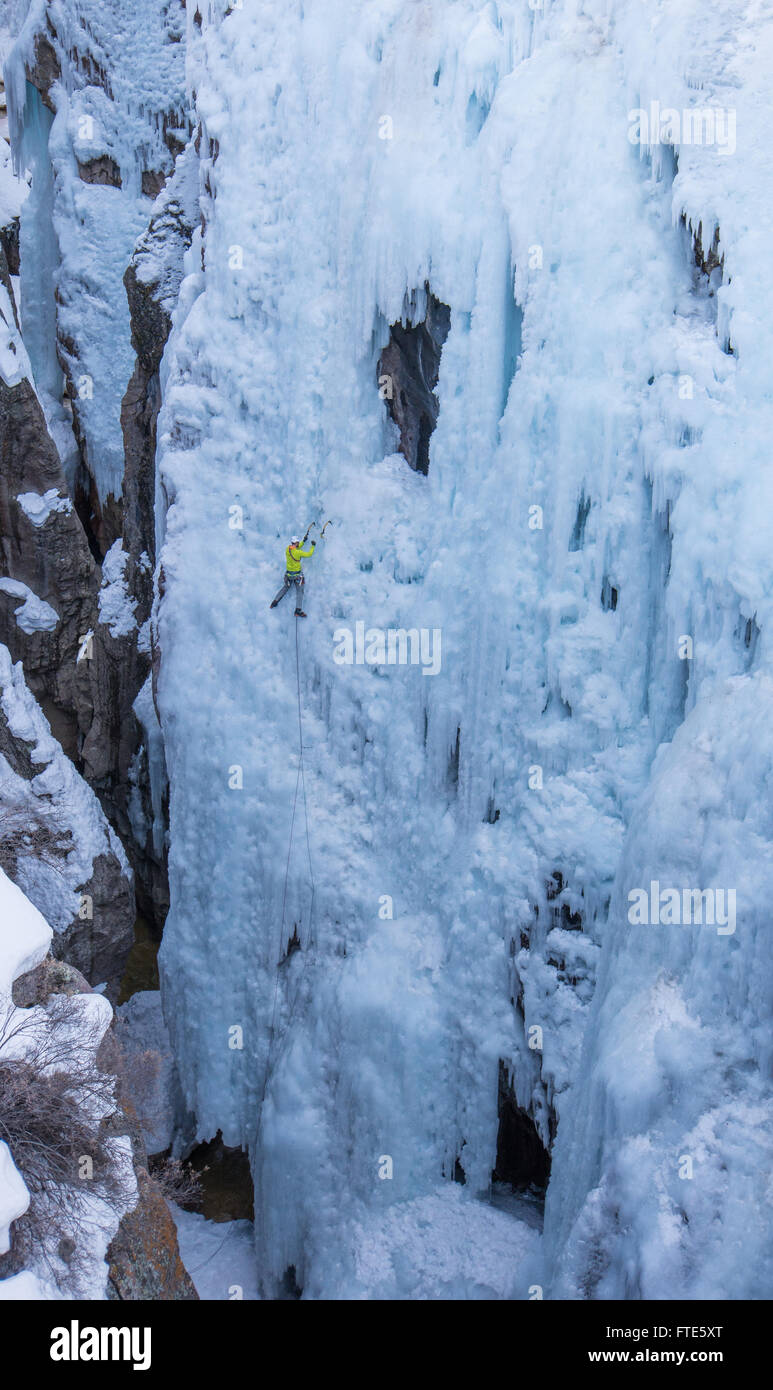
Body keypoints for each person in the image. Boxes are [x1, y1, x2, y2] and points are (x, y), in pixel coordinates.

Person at [269, 533, 316, 617]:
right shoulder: (298, 552)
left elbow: (297, 547)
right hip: (297, 575)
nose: (298, 543)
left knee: (286, 587)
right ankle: (298, 610)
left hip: (288, 575)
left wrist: (303, 541)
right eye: (298, 542)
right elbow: (309, 554)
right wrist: (313, 546)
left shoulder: (287, 549)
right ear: (296, 543)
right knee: (300, 591)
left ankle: (275, 602)